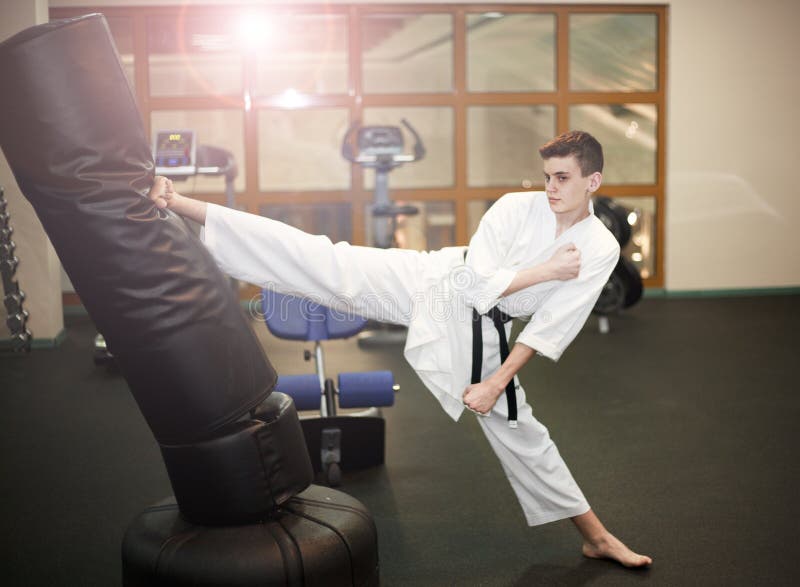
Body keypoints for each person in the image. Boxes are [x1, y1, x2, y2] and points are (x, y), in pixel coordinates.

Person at [148, 130, 652, 568]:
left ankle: (597, 538)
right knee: (322, 259)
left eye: (562, 178)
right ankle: (181, 205)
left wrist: (497, 382)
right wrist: (548, 270)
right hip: (435, 281)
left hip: (484, 332)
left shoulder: (601, 249)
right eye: (547, 176)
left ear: (593, 181)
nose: (551, 188)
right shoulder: (515, 208)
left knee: (522, 430)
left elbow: (549, 326)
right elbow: (476, 286)